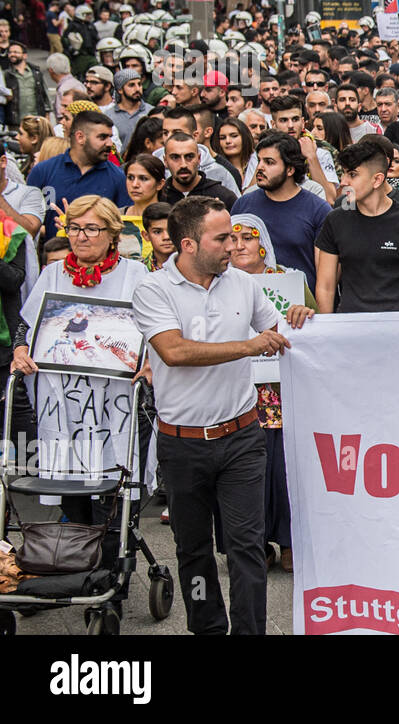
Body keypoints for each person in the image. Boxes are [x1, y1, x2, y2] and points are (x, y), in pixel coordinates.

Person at [131, 195, 312, 634]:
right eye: (222, 238)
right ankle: (206, 627)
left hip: (241, 438)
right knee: (192, 551)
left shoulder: (244, 284)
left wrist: (300, 317)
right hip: (182, 443)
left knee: (246, 548)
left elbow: (277, 333)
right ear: (188, 245)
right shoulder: (153, 289)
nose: (233, 245)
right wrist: (249, 346)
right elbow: (174, 352)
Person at [11, 196, 149, 612]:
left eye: (91, 229)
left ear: (112, 234)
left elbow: (156, 325)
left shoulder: (135, 274)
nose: (81, 236)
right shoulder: (53, 272)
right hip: (63, 401)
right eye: (74, 228)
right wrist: (20, 350)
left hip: (114, 399)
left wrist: (150, 363)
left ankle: (111, 580)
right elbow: (26, 323)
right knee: (71, 487)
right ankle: (74, 573)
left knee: (114, 489)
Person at [229, 213, 316, 574]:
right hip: (237, 390)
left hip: (284, 391)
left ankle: (292, 541)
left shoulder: (290, 280)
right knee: (247, 474)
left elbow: (317, 323)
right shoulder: (219, 284)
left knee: (285, 470)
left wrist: (305, 312)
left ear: (262, 242)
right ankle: (256, 544)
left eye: (247, 238)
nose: (239, 246)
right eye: (231, 239)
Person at [315, 139, 399, 313]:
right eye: (344, 173)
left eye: (352, 174)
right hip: (351, 322)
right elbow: (325, 286)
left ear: (377, 180)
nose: (344, 182)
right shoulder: (335, 220)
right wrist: (325, 327)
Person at [231, 133, 333, 292]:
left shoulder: (318, 209)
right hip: (250, 298)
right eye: (259, 160)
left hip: (301, 301)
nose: (260, 167)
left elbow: (326, 278)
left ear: (290, 169)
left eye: (269, 162)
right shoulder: (243, 204)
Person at [27, 109, 131, 239]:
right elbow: (27, 223)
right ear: (80, 137)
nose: (110, 143)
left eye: (110, 137)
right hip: (52, 250)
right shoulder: (43, 171)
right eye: (102, 137)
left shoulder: (118, 177)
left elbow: (124, 229)